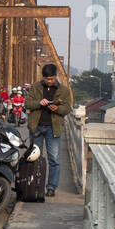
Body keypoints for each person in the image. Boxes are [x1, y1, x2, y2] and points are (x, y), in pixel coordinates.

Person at [27, 63, 73, 197]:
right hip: (36, 127)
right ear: (43, 78)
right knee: (35, 158)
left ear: (55, 76)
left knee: (54, 159)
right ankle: (35, 185)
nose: (50, 81)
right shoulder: (36, 87)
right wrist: (38, 103)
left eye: (52, 79)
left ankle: (51, 187)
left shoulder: (64, 90)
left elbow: (67, 109)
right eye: (47, 79)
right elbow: (27, 103)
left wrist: (57, 109)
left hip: (53, 129)